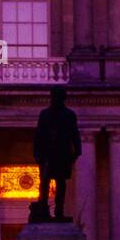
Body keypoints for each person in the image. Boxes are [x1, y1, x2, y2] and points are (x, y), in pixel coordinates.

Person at [31, 87, 82, 222]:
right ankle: (43, 208)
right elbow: (38, 135)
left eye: (59, 97)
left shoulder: (69, 115)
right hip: (47, 153)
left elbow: (74, 133)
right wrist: (37, 153)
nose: (56, 99)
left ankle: (59, 210)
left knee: (61, 183)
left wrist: (77, 150)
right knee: (45, 182)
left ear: (63, 98)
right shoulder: (45, 114)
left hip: (62, 153)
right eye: (55, 96)